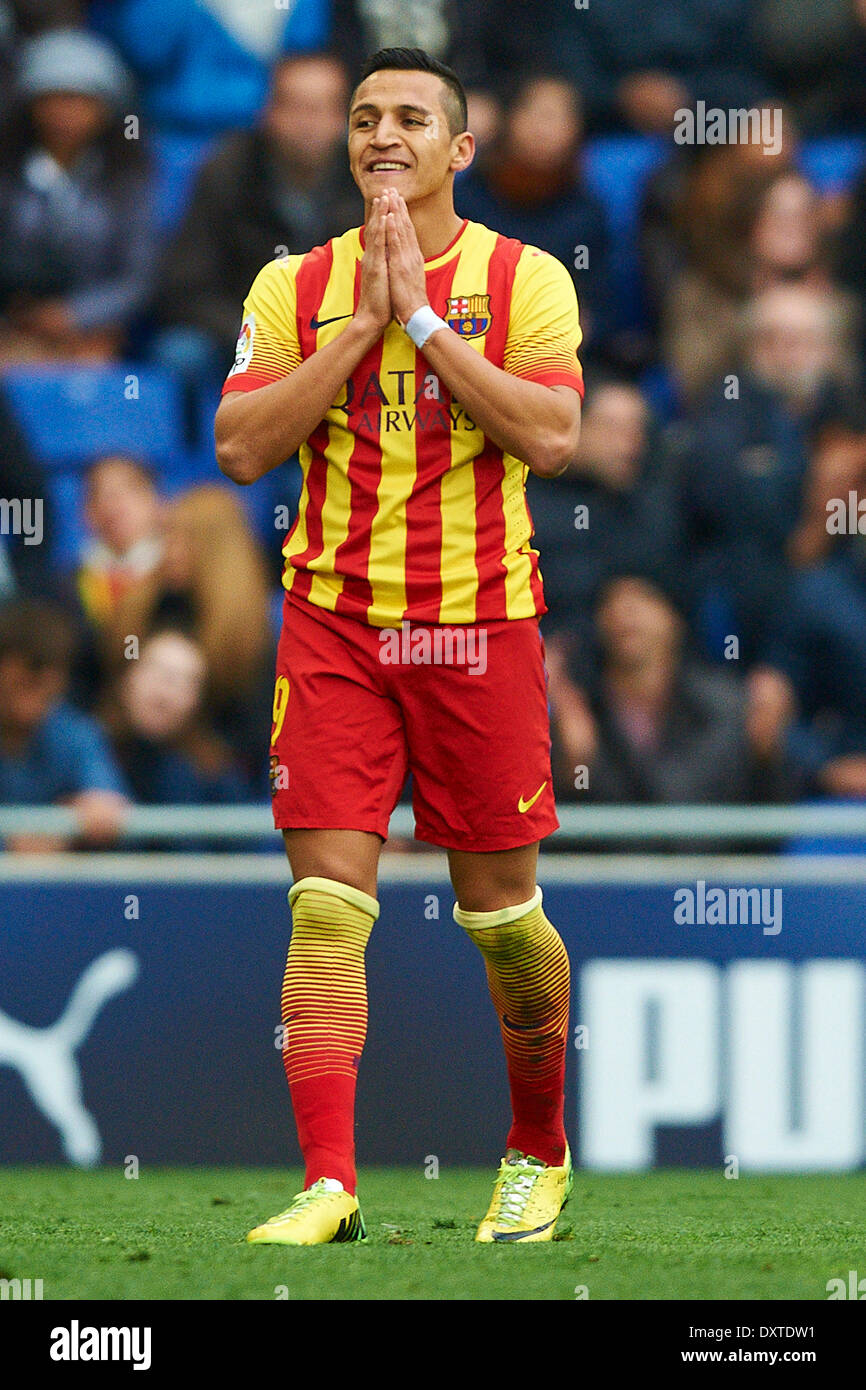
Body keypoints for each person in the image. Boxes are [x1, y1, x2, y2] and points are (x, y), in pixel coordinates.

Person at [215, 46, 584, 1246]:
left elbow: (553, 434)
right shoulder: (291, 286)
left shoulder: (524, 278)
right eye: (366, 115)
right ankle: (329, 1183)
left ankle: (537, 1150)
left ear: (458, 150)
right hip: (333, 625)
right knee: (324, 906)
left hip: (478, 628)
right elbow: (236, 447)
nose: (383, 131)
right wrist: (359, 324)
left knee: (499, 917)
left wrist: (419, 321)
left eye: (411, 117)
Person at [153, 51, 361, 389]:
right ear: (268, 112)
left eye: (321, 108)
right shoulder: (225, 171)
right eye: (295, 106)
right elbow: (184, 287)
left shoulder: (367, 180)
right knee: (181, 353)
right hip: (238, 334)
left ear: (345, 118)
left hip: (340, 338)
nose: (308, 123)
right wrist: (260, 337)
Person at [0, 27, 156, 364]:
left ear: (106, 107)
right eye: (53, 98)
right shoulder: (8, 174)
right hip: (11, 324)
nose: (65, 113)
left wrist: (75, 315)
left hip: (96, 331)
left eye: (80, 100)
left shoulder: (129, 178)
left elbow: (139, 276)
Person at [0, 596, 129, 852]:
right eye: (22, 684)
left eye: (44, 685)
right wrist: (10, 844)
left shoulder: (77, 734)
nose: (32, 699)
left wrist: (75, 819)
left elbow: (106, 801)